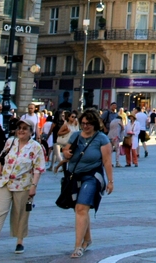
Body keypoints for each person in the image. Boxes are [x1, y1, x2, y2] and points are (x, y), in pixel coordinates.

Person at [0, 116, 45, 256]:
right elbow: (2, 155)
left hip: (23, 184)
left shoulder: (36, 147)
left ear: (31, 131)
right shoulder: (10, 141)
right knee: (0, 211)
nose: (21, 131)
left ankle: (20, 242)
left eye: (25, 129)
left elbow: (38, 169)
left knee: (20, 213)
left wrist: (34, 186)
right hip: (5, 181)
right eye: (19, 128)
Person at [64, 109, 113, 259]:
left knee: (81, 207)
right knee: (79, 210)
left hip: (92, 176)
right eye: (83, 123)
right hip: (74, 176)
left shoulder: (101, 139)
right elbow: (66, 149)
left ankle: (78, 246)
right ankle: (87, 239)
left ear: (94, 124)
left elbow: (107, 161)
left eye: (88, 124)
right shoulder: (75, 136)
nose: (85, 126)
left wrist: (110, 181)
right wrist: (66, 153)